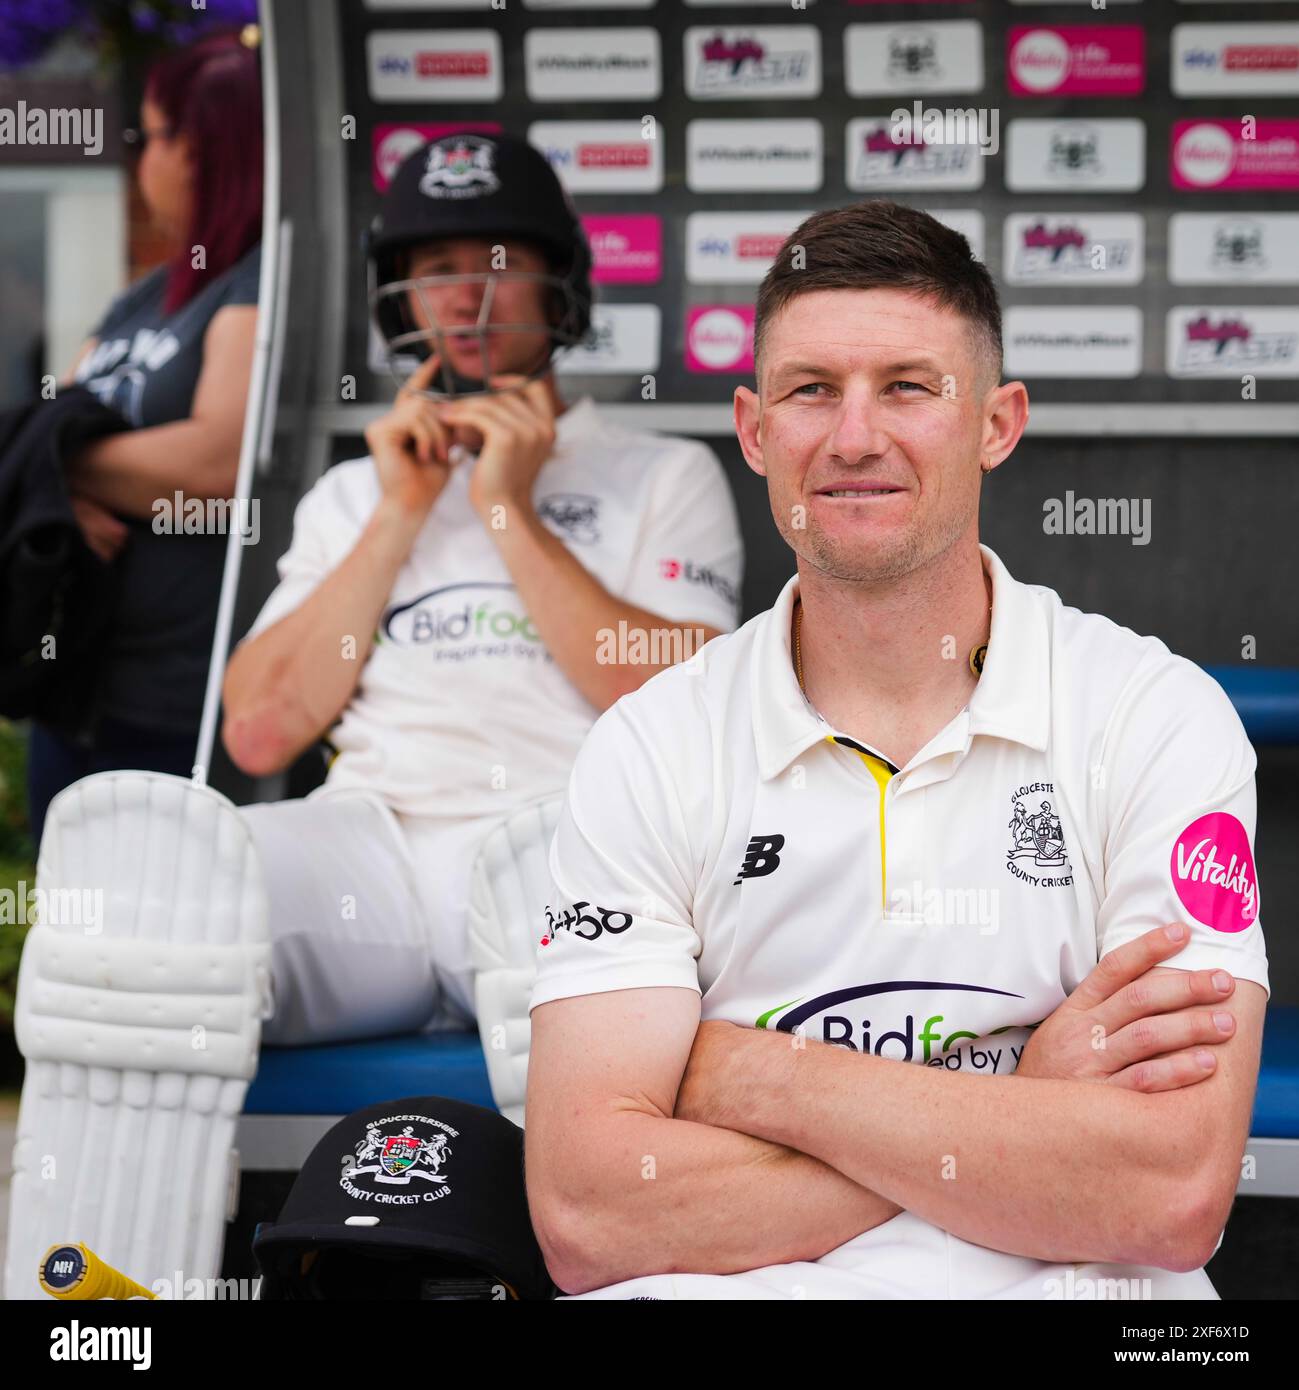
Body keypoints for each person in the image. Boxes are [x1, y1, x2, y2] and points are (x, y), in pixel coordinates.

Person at [0, 131, 744, 1299]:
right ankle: (101, 1307)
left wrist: (507, 509)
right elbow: (257, 733)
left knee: (541, 881)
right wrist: (403, 510)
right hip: (380, 866)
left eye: (498, 260)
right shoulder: (356, 490)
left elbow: (670, 698)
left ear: (563, 284)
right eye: (436, 264)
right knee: (150, 880)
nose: (468, 292)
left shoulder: (661, 472)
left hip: (578, 847)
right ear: (399, 294)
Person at [524, 200, 1270, 1300]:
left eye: (910, 388)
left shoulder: (1154, 715)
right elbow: (590, 1211)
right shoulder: (651, 742)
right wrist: (1020, 1093)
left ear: (997, 423)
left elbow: (1167, 1193)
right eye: (811, 389)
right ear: (754, 427)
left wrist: (759, 1077)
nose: (855, 436)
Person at [25, 29, 263, 845]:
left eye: (152, 136)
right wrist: (61, 473)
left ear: (208, 149)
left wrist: (62, 472)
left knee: (175, 947)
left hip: (185, 706)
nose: (139, 161)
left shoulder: (258, 278)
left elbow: (215, 462)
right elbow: (36, 435)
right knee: (76, 947)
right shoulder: (149, 295)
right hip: (81, 694)